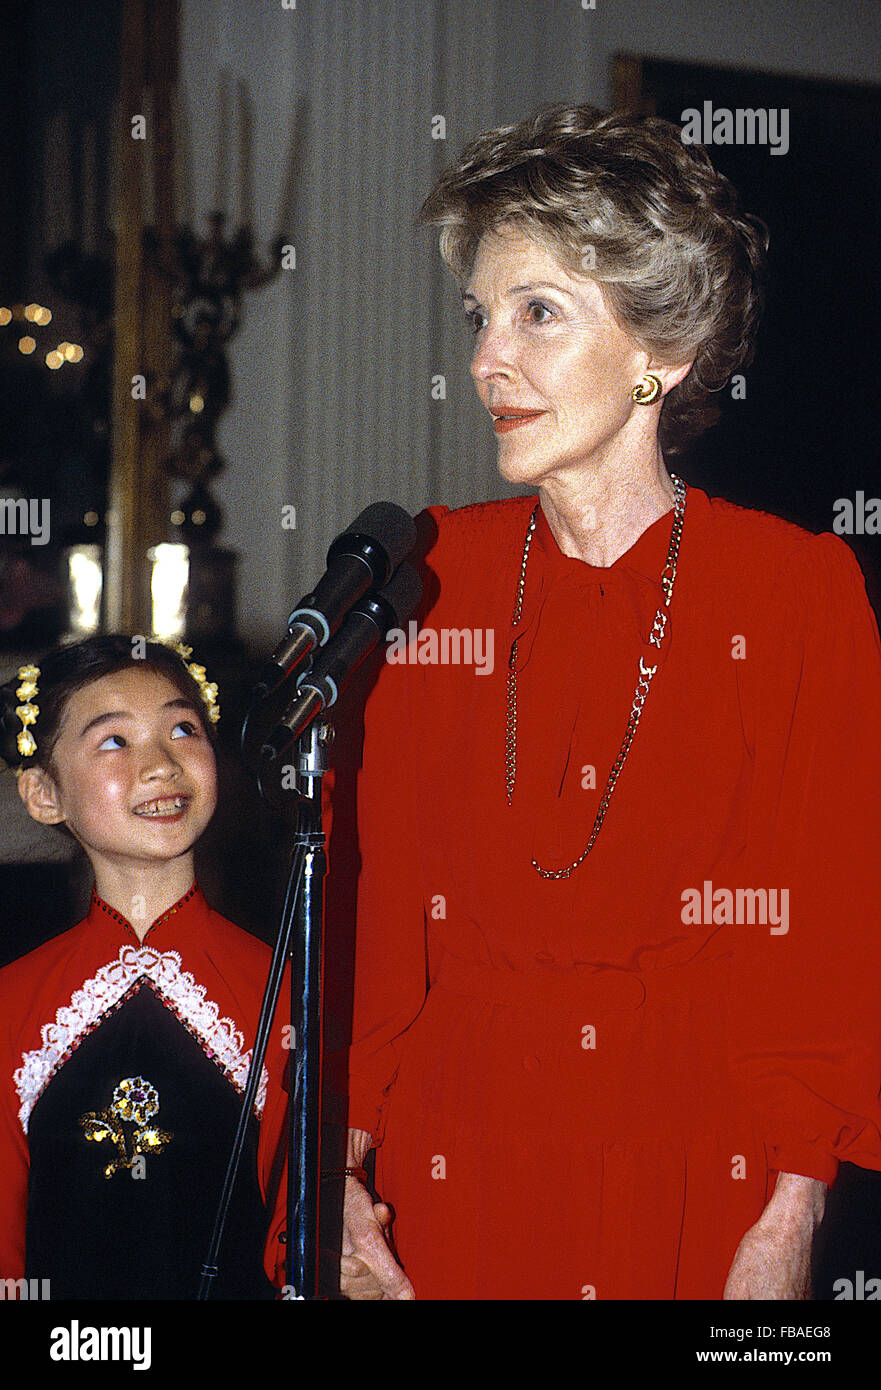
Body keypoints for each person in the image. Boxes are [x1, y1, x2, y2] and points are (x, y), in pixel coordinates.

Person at [337, 103, 881, 1300]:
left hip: (692, 1156)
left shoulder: (796, 588)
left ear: (661, 354)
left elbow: (826, 920)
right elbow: (381, 907)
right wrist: (341, 1159)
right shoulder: (429, 573)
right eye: (481, 316)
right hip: (451, 1151)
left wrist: (790, 1206)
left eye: (539, 313)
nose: (487, 357)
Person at [0, 635, 290, 1299]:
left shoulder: (284, 989)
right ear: (45, 794)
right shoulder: (13, 1002)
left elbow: (294, 1228)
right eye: (113, 741)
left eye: (182, 728)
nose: (161, 764)